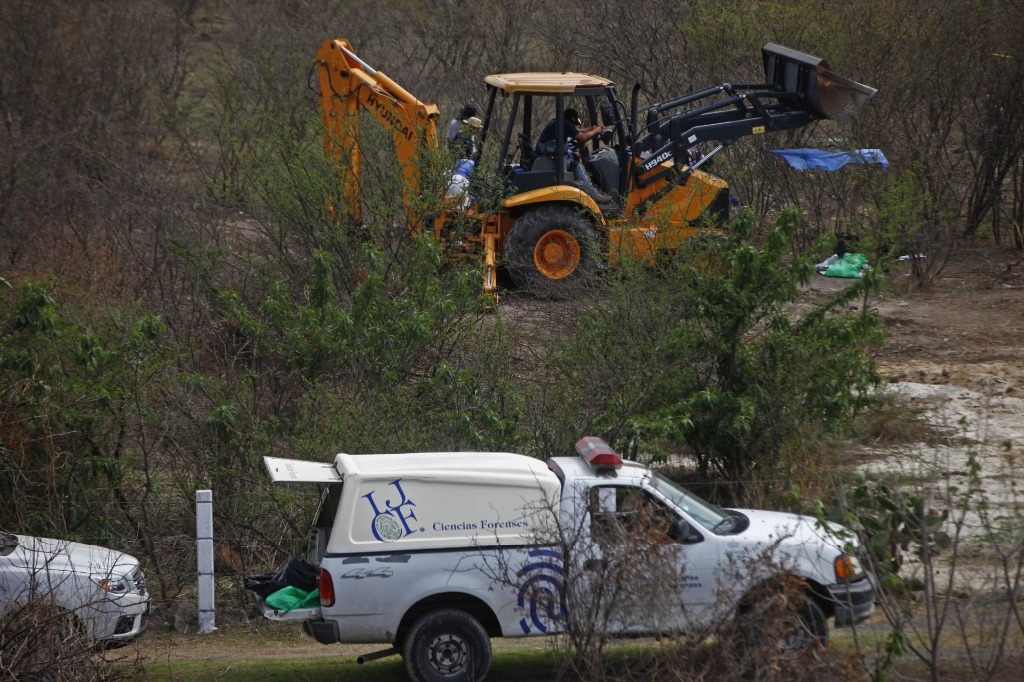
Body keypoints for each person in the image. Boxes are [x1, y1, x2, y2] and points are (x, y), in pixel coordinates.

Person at [535, 108, 611, 203]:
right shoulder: (564, 124)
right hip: (549, 159)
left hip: (548, 156)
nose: (574, 125)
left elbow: (577, 131)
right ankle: (593, 194)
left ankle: (591, 190)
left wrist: (592, 129)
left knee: (574, 160)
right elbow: (583, 137)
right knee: (576, 165)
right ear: (571, 119)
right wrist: (597, 131)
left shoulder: (558, 122)